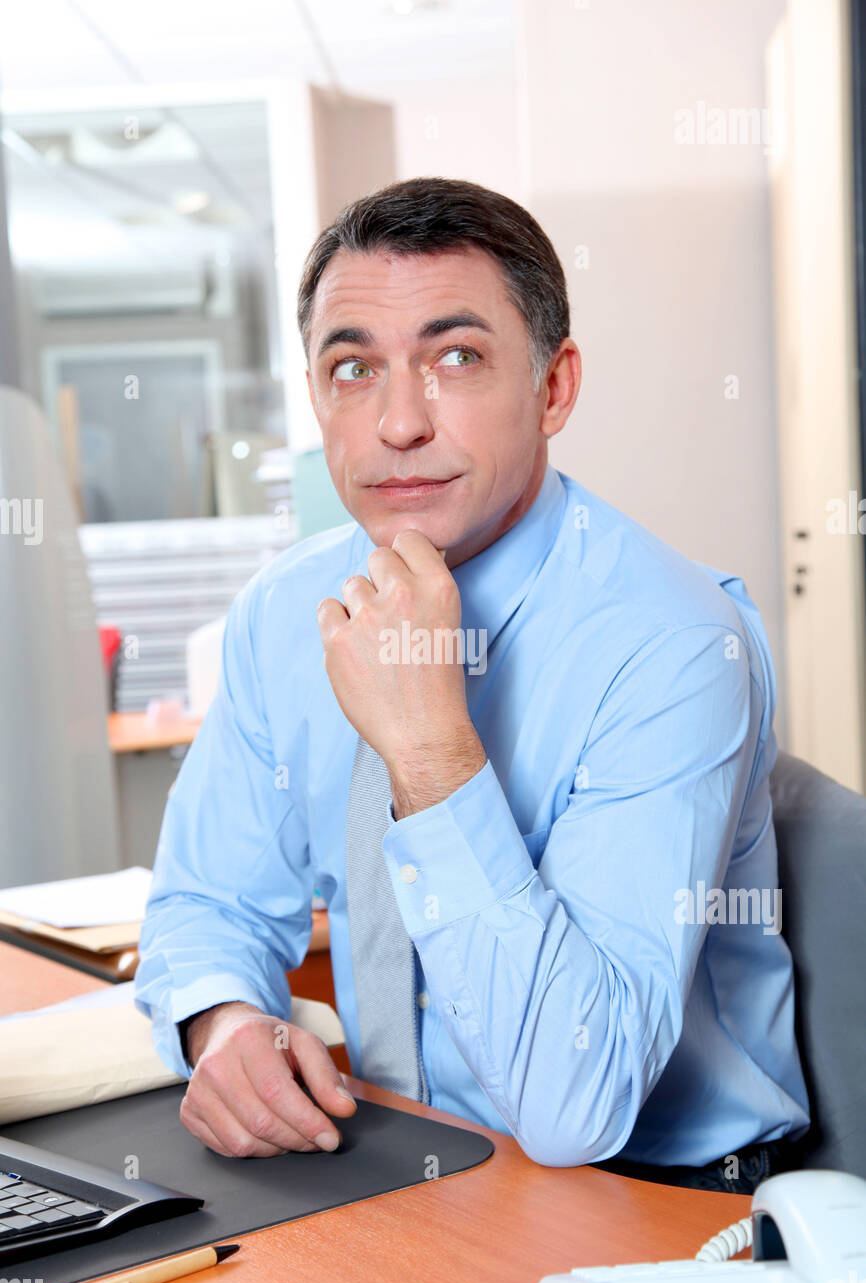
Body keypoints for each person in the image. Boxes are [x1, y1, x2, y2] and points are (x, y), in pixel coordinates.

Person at [135, 177, 810, 1191]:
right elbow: (207, 898)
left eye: (455, 358)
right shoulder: (284, 612)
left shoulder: (673, 645)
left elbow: (574, 1105)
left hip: (654, 1196)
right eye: (353, 367)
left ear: (552, 387)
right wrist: (221, 1021)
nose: (397, 422)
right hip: (395, 1156)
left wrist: (428, 749)